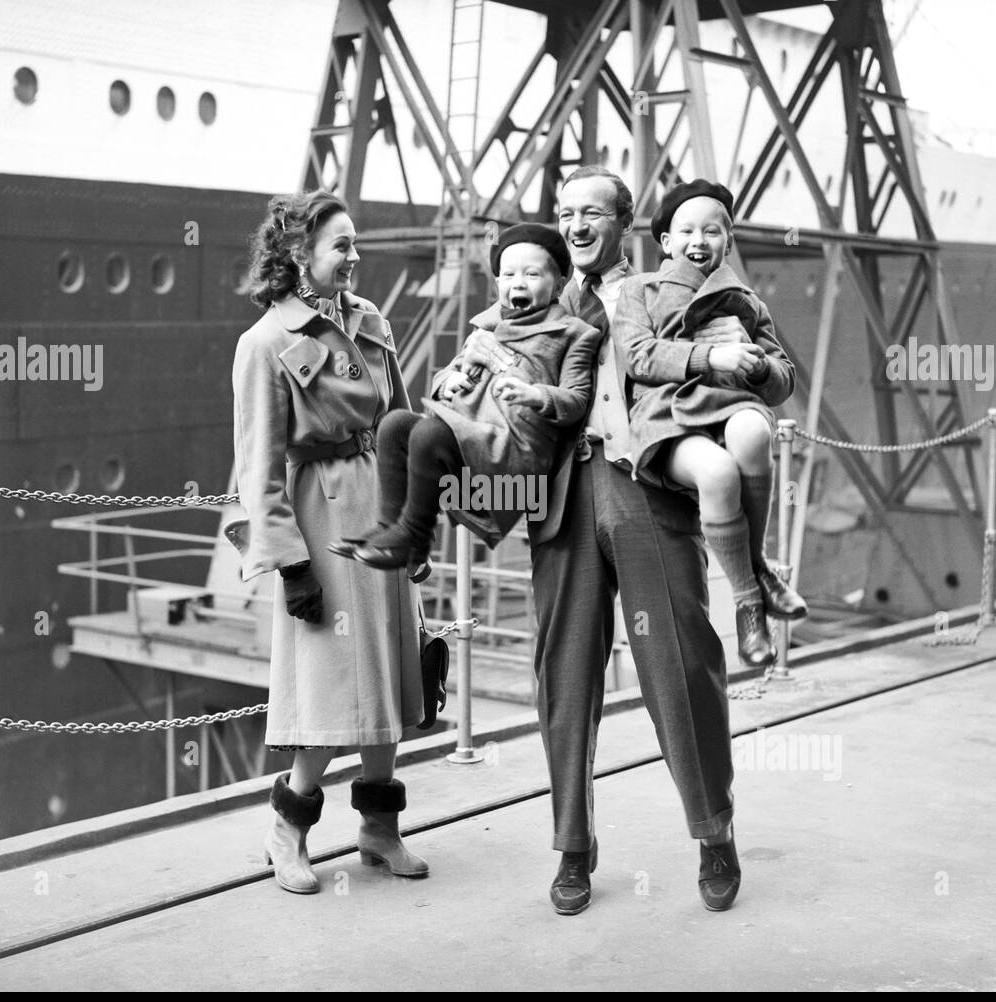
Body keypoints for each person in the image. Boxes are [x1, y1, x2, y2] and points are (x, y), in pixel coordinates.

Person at [457, 166, 747, 915]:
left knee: (681, 661)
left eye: (593, 213)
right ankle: (573, 847)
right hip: (558, 499)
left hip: (642, 489)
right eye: (564, 213)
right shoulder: (532, 301)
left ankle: (713, 832)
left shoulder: (654, 293)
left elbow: (714, 367)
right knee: (564, 675)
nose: (577, 225)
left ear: (624, 222)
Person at [229, 188, 428, 895]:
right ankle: (288, 829)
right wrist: (291, 568)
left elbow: (401, 422)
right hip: (322, 521)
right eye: (341, 245)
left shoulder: (369, 321)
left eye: (355, 243)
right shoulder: (265, 343)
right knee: (328, 686)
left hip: (379, 509)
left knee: (390, 672)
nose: (355, 256)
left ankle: (379, 830)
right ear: (297, 256)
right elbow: (258, 466)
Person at [613, 179, 807, 668]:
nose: (699, 241)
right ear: (667, 242)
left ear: (729, 240)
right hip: (667, 417)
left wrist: (759, 365)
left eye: (713, 231)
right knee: (718, 473)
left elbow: (783, 380)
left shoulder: (745, 300)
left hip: (730, 406)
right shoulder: (641, 290)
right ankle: (749, 600)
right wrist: (711, 354)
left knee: (754, 431)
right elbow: (638, 356)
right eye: (688, 231)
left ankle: (757, 566)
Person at [331, 223, 598, 566]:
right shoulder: (484, 327)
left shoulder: (574, 334)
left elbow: (576, 399)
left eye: (532, 274)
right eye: (508, 274)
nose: (518, 282)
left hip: (512, 467)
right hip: (468, 452)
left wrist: (534, 394)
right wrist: (450, 379)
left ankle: (414, 536)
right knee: (395, 424)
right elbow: (446, 375)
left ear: (559, 284)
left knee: (429, 432)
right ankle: (390, 529)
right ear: (498, 282)